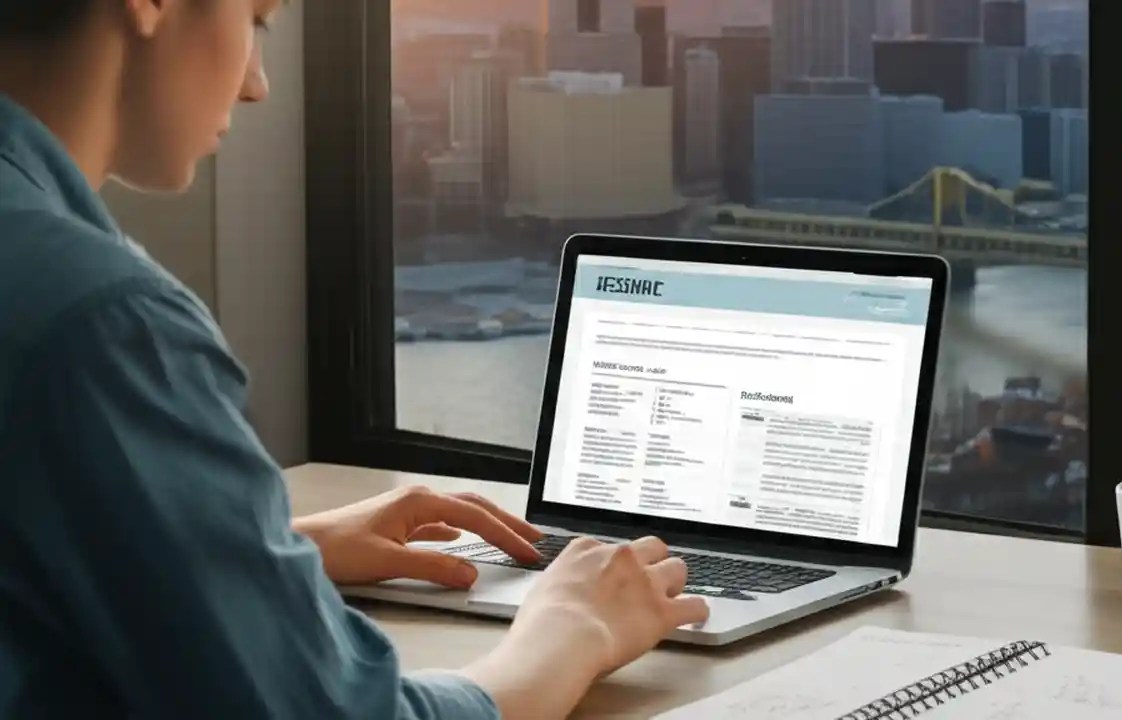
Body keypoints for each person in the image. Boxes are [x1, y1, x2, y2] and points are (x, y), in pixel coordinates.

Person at [0, 1, 710, 718]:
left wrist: (258, 551)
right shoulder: (103, 321)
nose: (257, 84)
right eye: (258, 19)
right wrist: (570, 628)